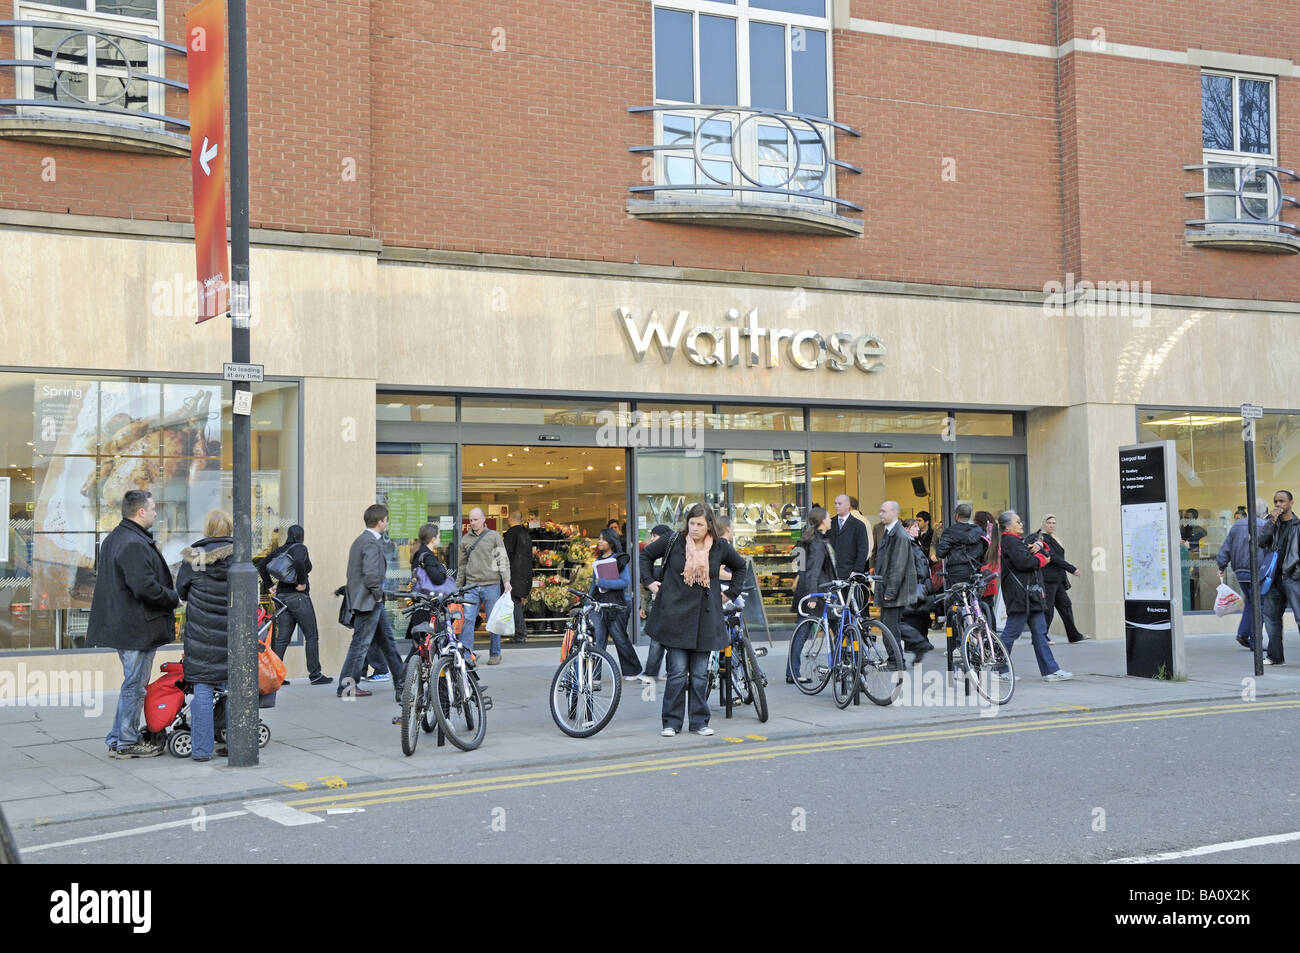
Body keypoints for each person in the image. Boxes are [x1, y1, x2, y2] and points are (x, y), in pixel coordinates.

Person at [639, 503, 747, 737]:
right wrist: (649, 581)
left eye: (700, 524)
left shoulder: (720, 546)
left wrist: (729, 594)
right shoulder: (673, 541)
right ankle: (671, 722)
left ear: (709, 525)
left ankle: (699, 722)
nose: (695, 528)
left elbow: (740, 568)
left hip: (705, 618)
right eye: (691, 523)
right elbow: (646, 555)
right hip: (674, 615)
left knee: (699, 674)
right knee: (677, 672)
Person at [88, 490, 179, 759]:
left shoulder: (117, 538)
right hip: (136, 626)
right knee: (135, 686)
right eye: (152, 509)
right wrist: (174, 598)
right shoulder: (133, 543)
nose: (155, 512)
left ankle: (118, 738)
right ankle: (127, 740)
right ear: (140, 512)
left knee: (132, 684)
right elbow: (145, 587)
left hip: (127, 624)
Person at [176, 511, 235, 761]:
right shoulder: (238, 556)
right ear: (230, 529)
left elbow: (182, 591)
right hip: (232, 634)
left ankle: (201, 750)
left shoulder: (196, 558)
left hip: (201, 634)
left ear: (207, 530)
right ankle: (237, 744)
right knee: (233, 688)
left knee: (202, 686)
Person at [339, 504, 407, 701]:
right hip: (369, 602)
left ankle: (402, 681)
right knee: (360, 645)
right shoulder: (370, 543)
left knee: (388, 643)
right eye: (386, 520)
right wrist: (378, 594)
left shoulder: (361, 540)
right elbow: (370, 575)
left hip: (367, 602)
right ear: (380, 522)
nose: (387, 523)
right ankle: (347, 688)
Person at [997, 510, 1072, 682]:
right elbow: (1025, 562)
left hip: (1031, 595)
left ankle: (1050, 670)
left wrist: (1040, 548)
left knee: (1040, 633)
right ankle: (1000, 669)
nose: (1021, 524)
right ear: (1008, 526)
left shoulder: (1017, 541)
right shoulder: (1009, 541)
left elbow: (1034, 552)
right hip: (1020, 595)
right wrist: (1042, 560)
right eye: (1017, 522)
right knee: (1011, 634)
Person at [259, 524, 332, 686]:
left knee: (283, 638)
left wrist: (269, 585)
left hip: (282, 598)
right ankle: (315, 674)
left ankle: (275, 676)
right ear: (301, 536)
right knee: (311, 635)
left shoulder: (281, 550)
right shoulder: (299, 548)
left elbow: (262, 565)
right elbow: (299, 561)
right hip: (298, 598)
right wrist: (302, 582)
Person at [874, 500, 932, 662]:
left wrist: (890, 591)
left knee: (889, 626)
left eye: (884, 511)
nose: (881, 514)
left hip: (894, 589)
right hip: (891, 587)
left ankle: (896, 660)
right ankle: (916, 645)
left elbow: (898, 565)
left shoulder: (898, 535)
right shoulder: (889, 531)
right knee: (893, 624)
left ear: (894, 513)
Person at [590, 528, 648, 681]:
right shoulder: (597, 561)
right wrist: (588, 601)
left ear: (611, 541)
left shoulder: (619, 559)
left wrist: (601, 582)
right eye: (599, 538)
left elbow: (625, 582)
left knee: (619, 637)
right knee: (599, 638)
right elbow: (593, 585)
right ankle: (595, 675)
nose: (600, 541)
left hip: (618, 605)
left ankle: (633, 671)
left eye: (603, 539)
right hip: (601, 604)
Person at [456, 507, 512, 664]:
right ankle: (467, 656)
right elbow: (462, 566)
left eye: (475, 519)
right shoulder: (465, 540)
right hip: (471, 586)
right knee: (468, 620)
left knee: (493, 621)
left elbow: (503, 559)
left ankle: (495, 654)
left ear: (483, 519)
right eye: (471, 520)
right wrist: (458, 587)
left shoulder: (494, 536)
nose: (473, 523)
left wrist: (506, 581)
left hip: (491, 584)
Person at [788, 505, 835, 684]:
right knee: (807, 630)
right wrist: (814, 596)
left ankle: (791, 671)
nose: (831, 520)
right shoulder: (817, 541)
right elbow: (814, 571)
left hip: (808, 590)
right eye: (829, 517)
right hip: (816, 592)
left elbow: (800, 564)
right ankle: (846, 668)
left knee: (802, 629)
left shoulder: (809, 538)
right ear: (822, 521)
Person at [1027, 515, 1089, 643]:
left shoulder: (1056, 538)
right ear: (1043, 524)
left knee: (1066, 605)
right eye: (1049, 523)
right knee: (1048, 610)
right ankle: (1041, 636)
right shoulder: (1042, 539)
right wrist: (1072, 569)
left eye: (1054, 523)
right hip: (1048, 579)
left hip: (1058, 579)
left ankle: (1074, 635)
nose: (1051, 525)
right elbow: (1053, 557)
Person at [1217, 499, 1267, 650]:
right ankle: (1254, 640)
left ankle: (1243, 633)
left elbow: (1225, 548)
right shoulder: (1264, 526)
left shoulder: (1237, 526)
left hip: (1240, 572)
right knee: (1259, 605)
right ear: (1263, 511)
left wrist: (1222, 565)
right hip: (1257, 571)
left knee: (1251, 603)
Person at [1259, 490, 1300, 666]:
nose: (1278, 505)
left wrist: (1296, 573)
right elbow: (1261, 542)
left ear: (1291, 502)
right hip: (1272, 579)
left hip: (1292, 578)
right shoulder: (1271, 523)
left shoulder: (1297, 525)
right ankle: (1275, 656)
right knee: (1271, 617)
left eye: (1282, 501)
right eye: (1275, 501)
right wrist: (1272, 522)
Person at [639, 523, 674, 680]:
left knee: (662, 640)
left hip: (671, 604)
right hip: (656, 605)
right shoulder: (651, 557)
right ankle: (655, 673)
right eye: (651, 535)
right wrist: (643, 606)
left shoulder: (671, 556)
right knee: (658, 639)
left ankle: (661, 672)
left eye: (655, 536)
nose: (652, 539)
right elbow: (646, 584)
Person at [406, 522, 451, 637]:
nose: (439, 538)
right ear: (433, 539)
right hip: (427, 603)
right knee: (428, 638)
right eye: (439, 536)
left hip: (420, 601)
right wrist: (442, 567)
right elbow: (438, 579)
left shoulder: (419, 553)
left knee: (421, 641)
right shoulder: (427, 556)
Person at [900, 518, 935, 647]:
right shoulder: (905, 543)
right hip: (915, 584)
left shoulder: (915, 542)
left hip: (922, 583)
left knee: (922, 614)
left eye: (917, 526)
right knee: (913, 615)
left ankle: (922, 640)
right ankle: (914, 643)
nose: (918, 529)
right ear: (906, 529)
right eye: (914, 527)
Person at [502, 510, 533, 644]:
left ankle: (520, 632)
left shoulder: (511, 534)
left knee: (514, 602)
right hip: (525, 573)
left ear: (510, 519)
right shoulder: (526, 534)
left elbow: (505, 554)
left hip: (513, 572)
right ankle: (519, 631)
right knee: (516, 602)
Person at [827, 494, 868, 580]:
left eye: (840, 503)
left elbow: (863, 550)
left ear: (848, 505)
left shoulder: (858, 525)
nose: (836, 506)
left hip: (850, 573)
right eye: (835, 503)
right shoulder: (830, 524)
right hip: (831, 573)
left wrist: (857, 571)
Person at [975, 509, 999, 630]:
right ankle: (993, 638)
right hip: (990, 577)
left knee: (978, 610)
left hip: (980, 576)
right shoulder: (993, 537)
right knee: (989, 610)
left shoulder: (980, 538)